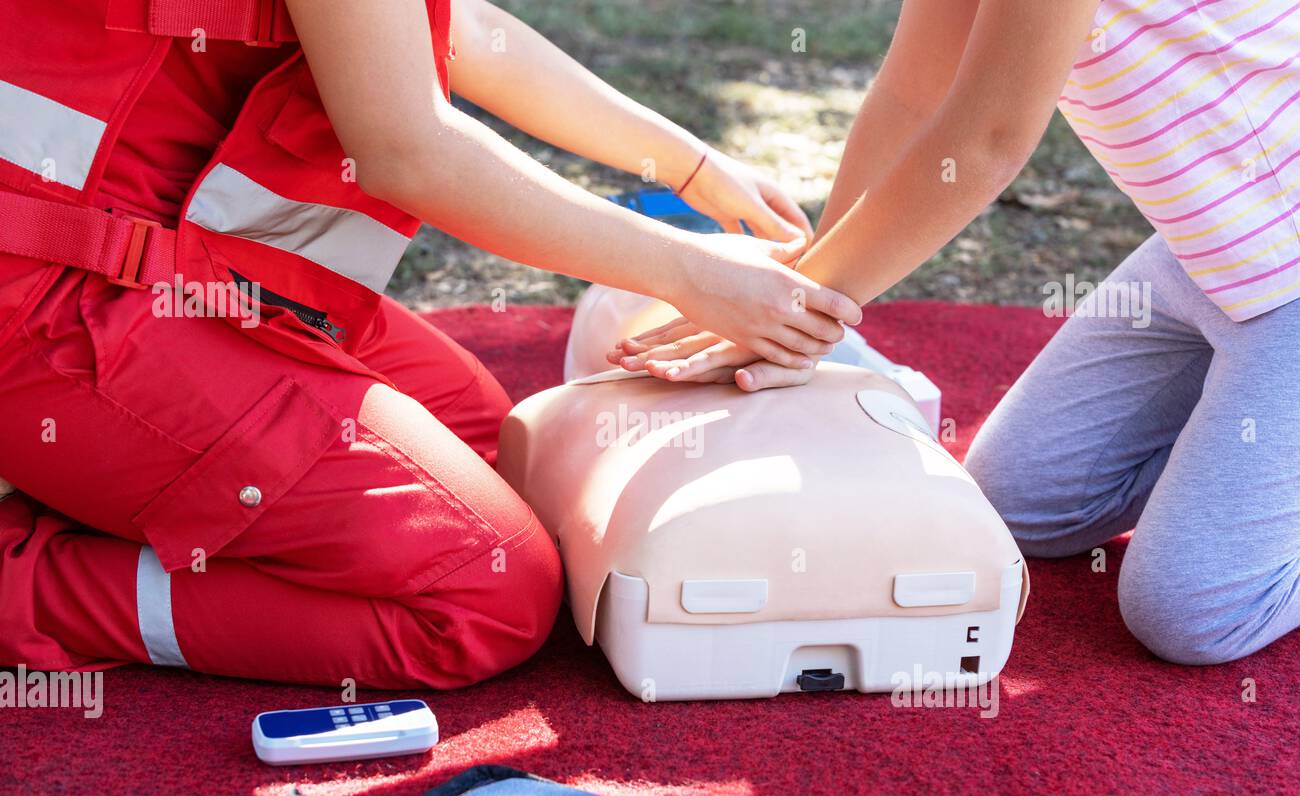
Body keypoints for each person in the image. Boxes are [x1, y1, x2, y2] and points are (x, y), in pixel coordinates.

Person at [0, 0, 860, 688]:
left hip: (166, 268)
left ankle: (119, 489)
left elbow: (461, 33)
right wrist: (693, 274)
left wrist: (694, 168)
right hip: (50, 305)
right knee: (487, 594)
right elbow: (408, 150)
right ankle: (27, 591)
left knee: (503, 454)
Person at [612, 0, 1300, 666]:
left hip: (1285, 275)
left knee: (1192, 611)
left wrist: (799, 314)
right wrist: (805, 281)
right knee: (1022, 507)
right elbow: (914, 96)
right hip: (1207, 256)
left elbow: (987, 140)